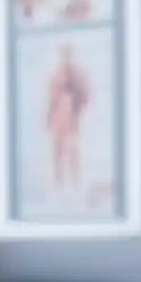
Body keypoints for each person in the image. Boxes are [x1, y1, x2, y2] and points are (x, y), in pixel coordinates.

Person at [45, 42, 91, 189]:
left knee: (72, 148)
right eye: (63, 54)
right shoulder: (57, 74)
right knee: (57, 150)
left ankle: (75, 180)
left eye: (67, 53)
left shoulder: (77, 74)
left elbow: (85, 96)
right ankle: (58, 180)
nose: (65, 57)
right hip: (58, 117)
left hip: (71, 117)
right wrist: (48, 115)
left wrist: (77, 106)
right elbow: (51, 98)